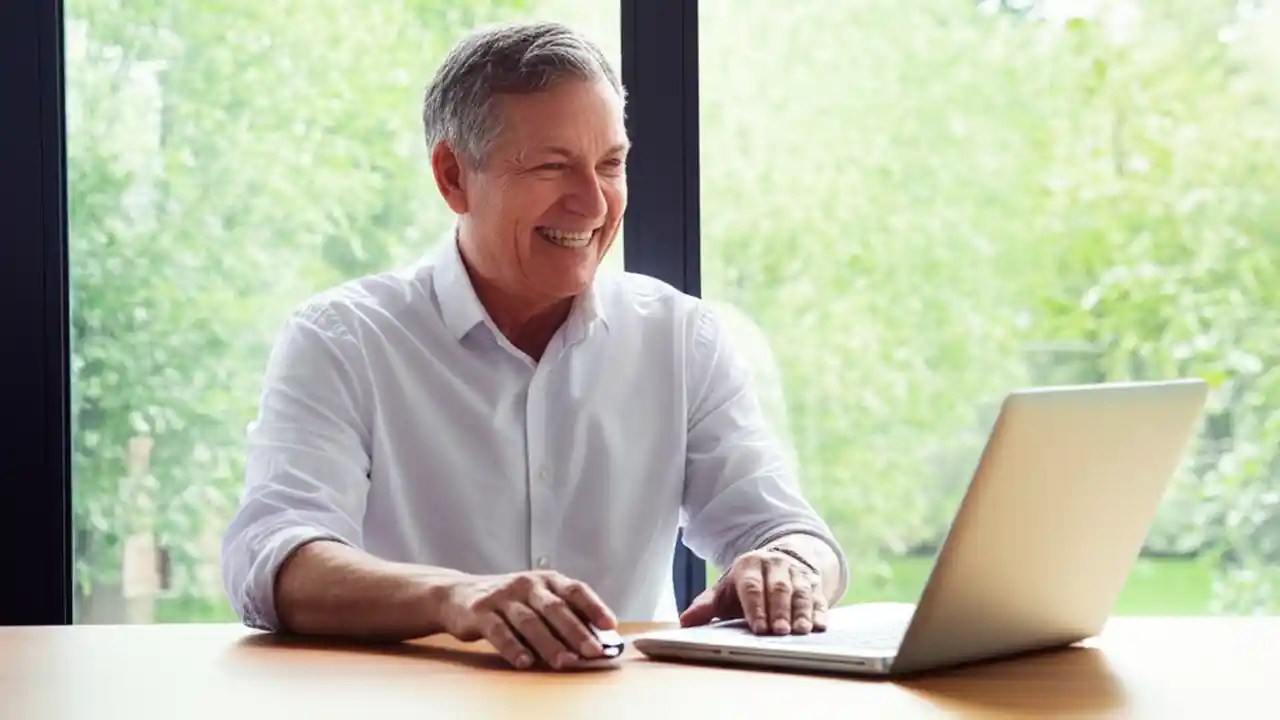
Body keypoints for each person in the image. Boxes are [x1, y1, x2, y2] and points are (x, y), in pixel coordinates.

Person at [221, 20, 848, 671]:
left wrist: (789, 568)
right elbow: (271, 560)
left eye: (611, 165)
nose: (594, 204)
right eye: (552, 167)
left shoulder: (682, 339)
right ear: (452, 177)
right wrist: (456, 597)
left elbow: (795, 534)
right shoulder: (341, 340)